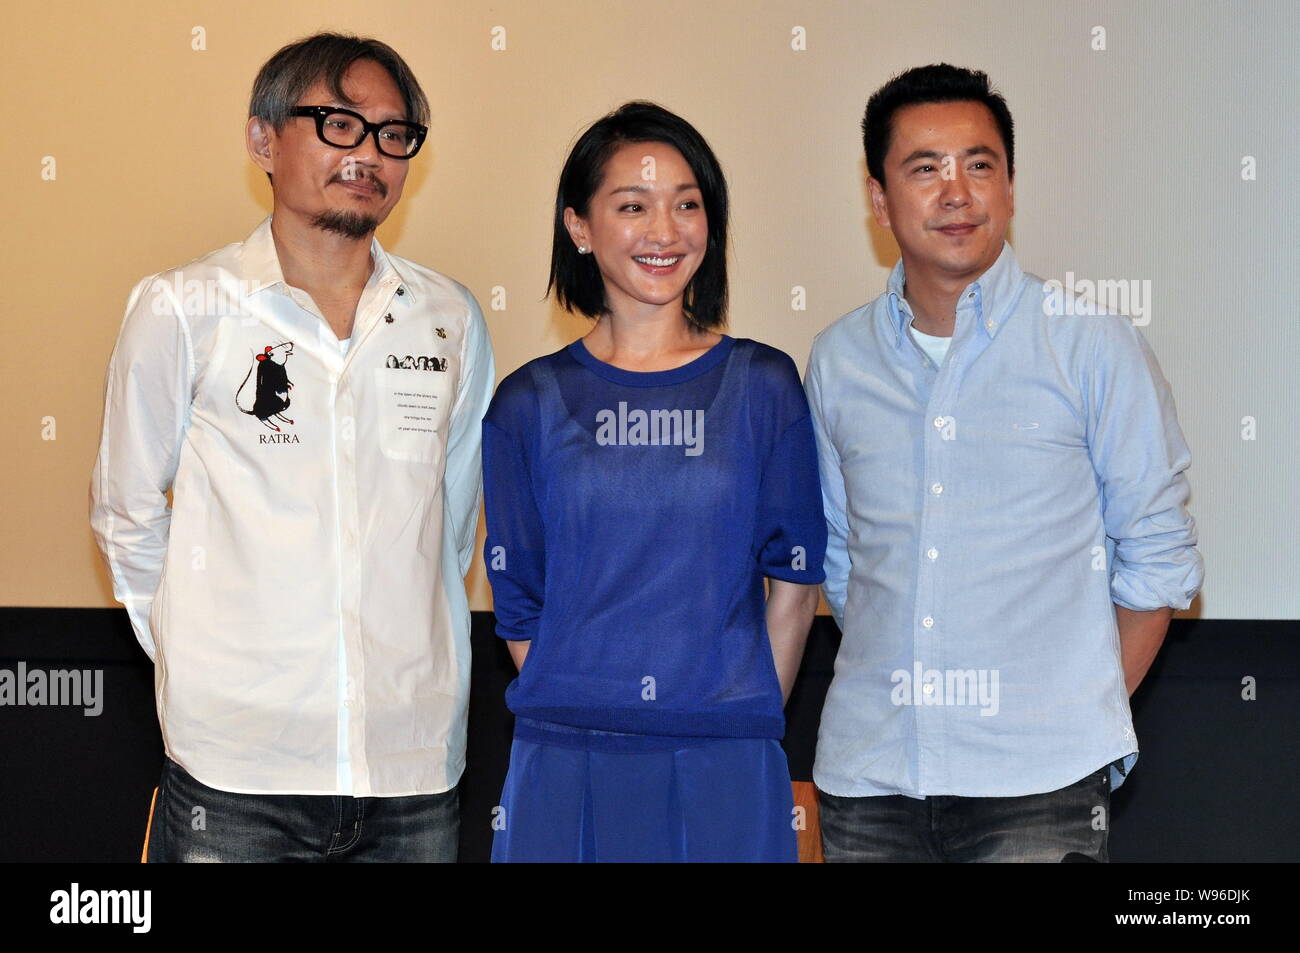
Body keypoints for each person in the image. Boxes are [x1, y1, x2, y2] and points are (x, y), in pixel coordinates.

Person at [89, 32, 494, 862]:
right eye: (339, 124)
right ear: (263, 139)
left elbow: (449, 528)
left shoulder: (448, 318)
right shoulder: (183, 307)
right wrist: (201, 665)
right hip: (236, 771)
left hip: (409, 767)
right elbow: (126, 514)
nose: (369, 153)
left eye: (393, 133)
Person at [807, 64, 1204, 862]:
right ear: (879, 201)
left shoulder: (1091, 345)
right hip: (868, 782)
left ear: (1010, 186)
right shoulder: (838, 358)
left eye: (979, 164)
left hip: (1040, 791)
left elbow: (1160, 565)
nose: (957, 191)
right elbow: (847, 564)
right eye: (925, 168)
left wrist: (1067, 715)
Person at [482, 101, 825, 862]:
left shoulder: (764, 385)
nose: (665, 231)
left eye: (687, 204)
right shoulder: (525, 404)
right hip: (564, 761)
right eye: (633, 205)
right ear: (579, 226)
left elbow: (794, 584)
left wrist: (730, 710)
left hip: (726, 760)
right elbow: (520, 605)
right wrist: (586, 706)